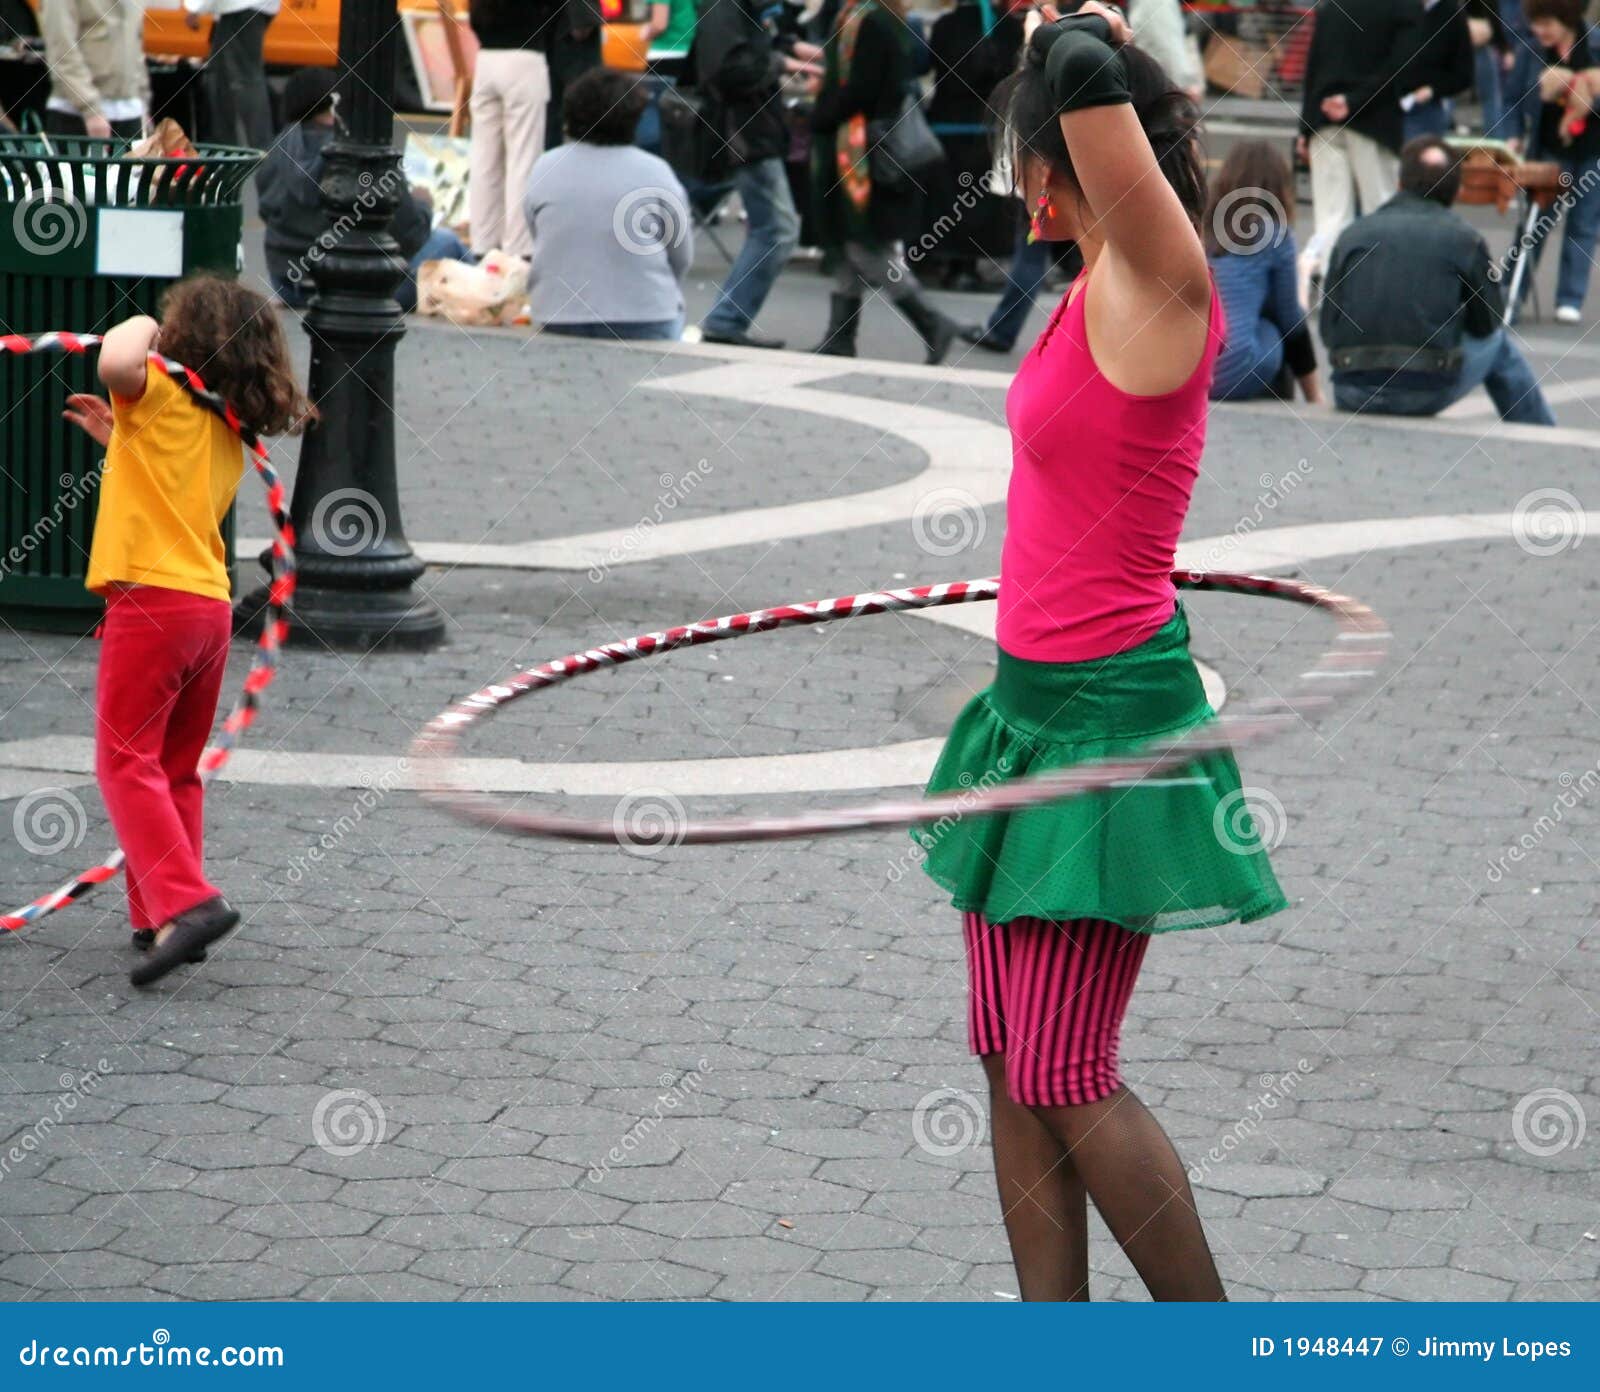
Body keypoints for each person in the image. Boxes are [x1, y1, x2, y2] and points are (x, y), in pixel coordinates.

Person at [915, 2, 1285, 1302]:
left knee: (1068, 1068)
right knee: (1007, 1053)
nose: (1025, 203)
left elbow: (1080, 65)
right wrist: (1042, 45)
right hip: (1023, 708)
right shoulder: (1089, 287)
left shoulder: (1163, 288)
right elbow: (1064, 74)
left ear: (1094, 165)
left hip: (1107, 723)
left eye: (1040, 177)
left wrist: (1071, 30)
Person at [65, 276, 313, 985]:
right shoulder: (227, 427)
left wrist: (140, 319)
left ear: (181, 342)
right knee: (174, 768)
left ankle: (189, 901)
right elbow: (171, 479)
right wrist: (120, 437)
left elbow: (114, 361)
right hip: (205, 612)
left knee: (123, 763)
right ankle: (162, 919)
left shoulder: (157, 389)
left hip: (149, 602)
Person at [1322, 135, 1556, 423]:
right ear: (1457, 191)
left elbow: (1327, 329)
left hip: (1351, 388)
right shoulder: (1464, 239)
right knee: (1499, 345)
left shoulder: (1353, 234)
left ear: (1400, 183)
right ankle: (1539, 428)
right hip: (1423, 389)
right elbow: (1487, 324)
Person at [810, 0, 962, 363]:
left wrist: (821, 114)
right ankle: (840, 337)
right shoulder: (865, 16)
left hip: (865, 152)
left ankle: (932, 321)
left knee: (864, 244)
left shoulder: (871, 21)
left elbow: (864, 89)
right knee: (847, 239)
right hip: (855, 149)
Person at [258, 70, 470, 312]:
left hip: (290, 286)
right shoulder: (360, 150)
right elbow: (411, 234)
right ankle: (493, 294)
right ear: (338, 108)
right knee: (448, 242)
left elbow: (269, 212)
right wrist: (423, 204)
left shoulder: (277, 151)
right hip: (357, 290)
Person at [524, 68, 692, 340]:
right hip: (645, 313)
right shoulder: (657, 171)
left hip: (557, 311)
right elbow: (681, 256)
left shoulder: (545, 166)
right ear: (635, 118)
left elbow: (538, 232)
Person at [694, 0, 809, 348]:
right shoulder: (725, 7)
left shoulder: (744, 8)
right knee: (776, 228)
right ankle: (725, 320)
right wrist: (779, 61)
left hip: (753, 130)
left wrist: (786, 49)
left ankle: (725, 320)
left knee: (772, 228)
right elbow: (728, 69)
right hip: (745, 133)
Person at [1297, 0, 1425, 280]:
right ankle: (1378, 293)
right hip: (1374, 122)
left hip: (1324, 119)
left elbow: (1314, 65)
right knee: (1380, 211)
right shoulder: (1404, 7)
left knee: (1331, 218)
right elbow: (1404, 67)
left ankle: (1335, 296)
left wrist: (1305, 128)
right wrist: (1354, 101)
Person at [1204, 140, 1321, 403]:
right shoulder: (1275, 235)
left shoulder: (1202, 226)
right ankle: (1298, 398)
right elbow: (1290, 319)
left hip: (1188, 370)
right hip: (1232, 370)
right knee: (1271, 328)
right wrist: (1315, 397)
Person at [1523, 0, 1600, 321]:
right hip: (1548, 149)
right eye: (1535, 22)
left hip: (1593, 148)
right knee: (1535, 221)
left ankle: (1569, 298)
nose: (1540, 30)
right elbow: (1517, 97)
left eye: (1547, 23)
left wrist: (1579, 89)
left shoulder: (1595, 44)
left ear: (1567, 19)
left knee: (1584, 224)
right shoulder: (1531, 51)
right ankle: (1513, 291)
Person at [467, 0, 560, 259]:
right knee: (523, 158)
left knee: (484, 157)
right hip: (525, 59)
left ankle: (483, 242)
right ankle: (519, 248)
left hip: (486, 59)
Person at [39, 0, 148, 139]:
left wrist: (142, 105)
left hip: (129, 112)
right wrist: (90, 109)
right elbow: (61, 50)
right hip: (75, 115)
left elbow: (135, 45)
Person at [183, 0, 278, 152]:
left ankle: (257, 149)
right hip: (246, 8)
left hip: (239, 7)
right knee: (223, 78)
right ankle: (228, 147)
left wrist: (197, 8)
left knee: (243, 80)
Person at [1400, 1, 1476, 141]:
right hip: (1388, 106)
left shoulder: (1452, 15)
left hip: (1424, 109)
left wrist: (1432, 90)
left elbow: (1463, 74)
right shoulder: (1398, 9)